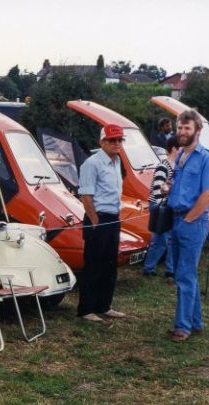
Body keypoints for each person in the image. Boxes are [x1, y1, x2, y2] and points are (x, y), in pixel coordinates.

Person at [166, 110, 209, 342]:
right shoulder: (180, 156)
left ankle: (183, 327)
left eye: (187, 128)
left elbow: (208, 194)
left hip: (192, 222)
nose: (182, 132)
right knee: (185, 274)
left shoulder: (206, 158)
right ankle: (195, 322)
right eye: (179, 128)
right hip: (175, 219)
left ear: (197, 131)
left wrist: (189, 219)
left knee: (185, 276)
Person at [76, 124, 127, 322]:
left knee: (110, 265)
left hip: (113, 218)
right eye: (112, 140)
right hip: (98, 218)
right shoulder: (92, 164)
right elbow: (86, 195)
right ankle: (86, 309)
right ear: (102, 142)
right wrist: (95, 220)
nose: (117, 144)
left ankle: (104, 306)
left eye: (120, 140)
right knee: (93, 265)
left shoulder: (116, 161)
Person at [143, 136, 179, 278]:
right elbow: (158, 190)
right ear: (174, 149)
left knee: (170, 238)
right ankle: (148, 268)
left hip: (168, 206)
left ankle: (170, 269)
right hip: (161, 206)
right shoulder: (163, 166)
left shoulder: (177, 167)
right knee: (160, 239)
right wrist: (164, 207)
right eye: (181, 148)